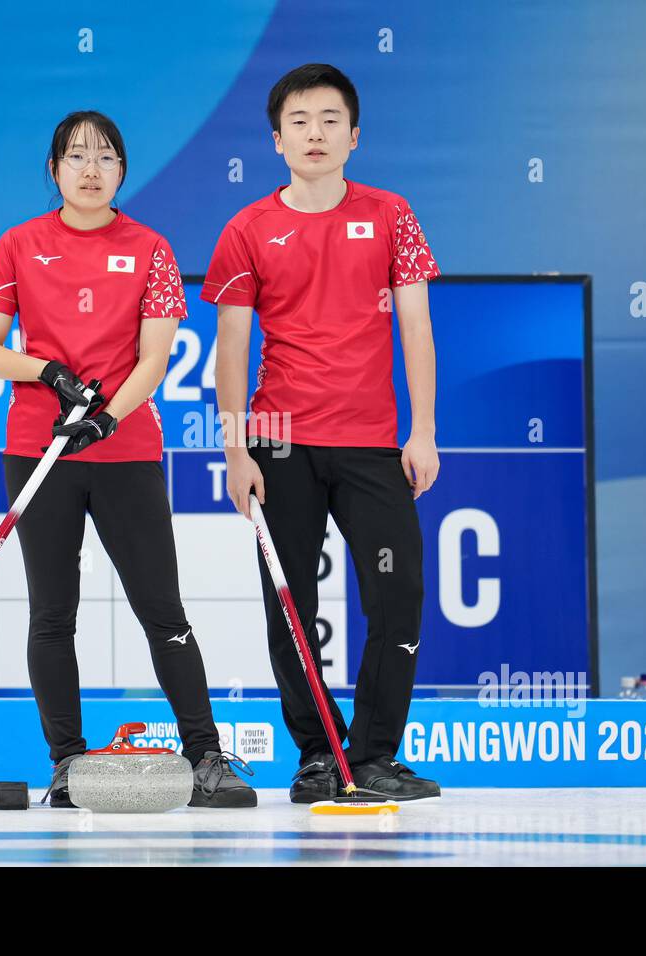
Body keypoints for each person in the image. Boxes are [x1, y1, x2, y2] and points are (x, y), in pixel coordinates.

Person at [0, 110, 255, 809]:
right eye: (75, 156)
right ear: (54, 170)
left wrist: (104, 419)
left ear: (123, 170)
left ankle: (207, 757)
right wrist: (47, 372)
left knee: (162, 608)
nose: (90, 169)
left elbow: (154, 357)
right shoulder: (21, 245)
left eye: (105, 157)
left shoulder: (150, 247)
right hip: (39, 449)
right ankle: (67, 762)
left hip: (124, 449)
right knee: (52, 613)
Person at [202, 64, 442, 802]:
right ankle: (317, 758)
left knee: (397, 597)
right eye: (299, 121)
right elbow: (233, 347)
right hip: (278, 440)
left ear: (354, 135)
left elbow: (415, 325)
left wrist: (424, 430)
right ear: (277, 140)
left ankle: (371, 757)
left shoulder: (391, 213)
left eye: (330, 119)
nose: (315, 133)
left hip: (372, 438)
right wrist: (236, 448)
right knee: (290, 603)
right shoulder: (248, 227)